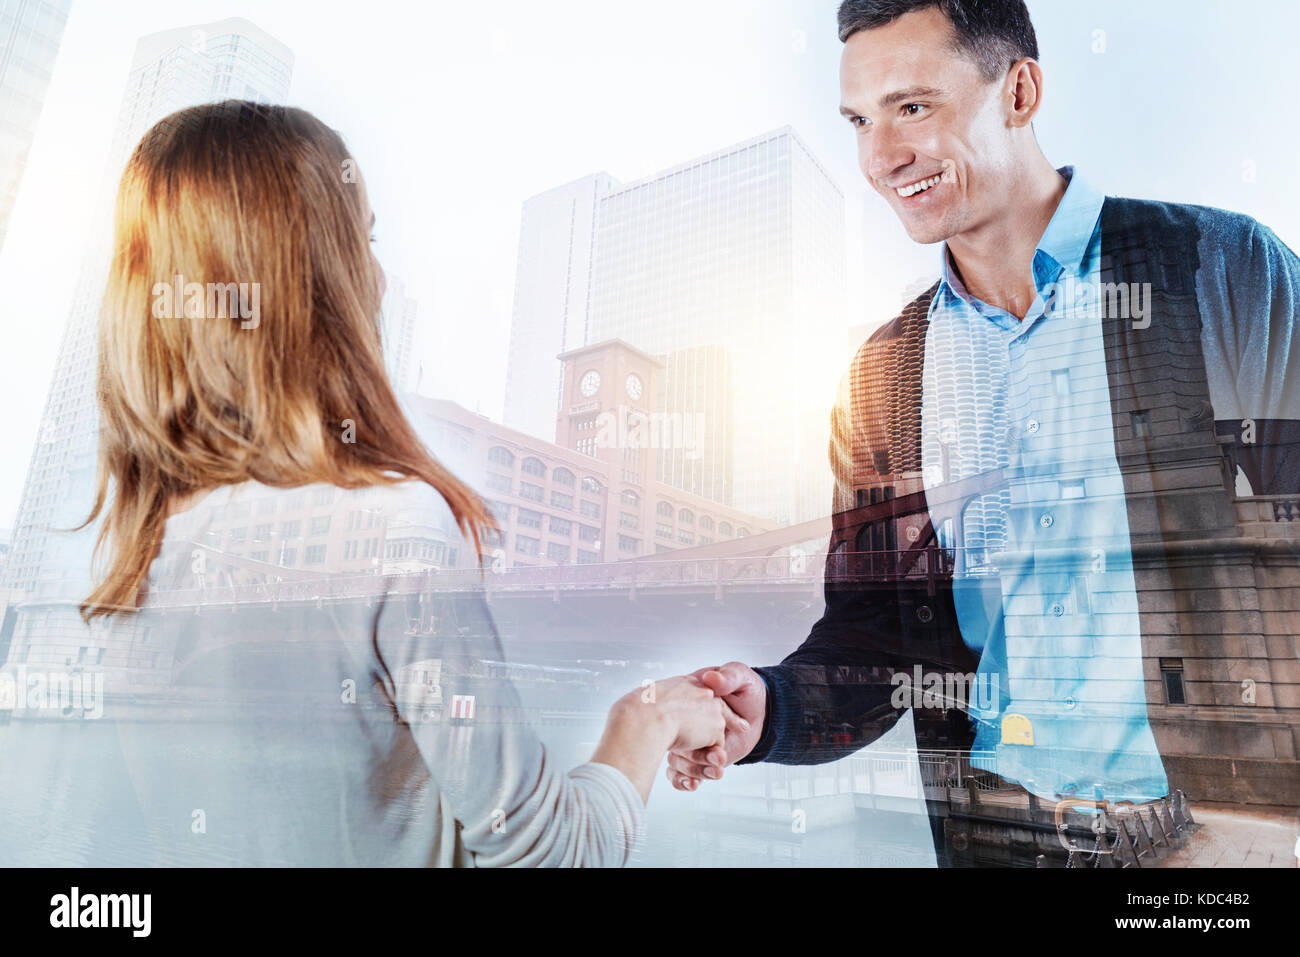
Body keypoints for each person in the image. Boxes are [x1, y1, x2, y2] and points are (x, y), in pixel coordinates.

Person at [0, 99, 743, 867]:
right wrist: (643, 719)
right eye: (365, 237)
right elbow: (551, 855)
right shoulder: (399, 526)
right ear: (317, 277)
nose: (379, 273)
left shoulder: (130, 543)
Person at [667, 0, 1299, 836]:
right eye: (860, 119)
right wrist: (770, 708)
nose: (882, 156)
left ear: (1021, 91)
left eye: (914, 107)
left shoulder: (1222, 271)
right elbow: (874, 640)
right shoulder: (880, 375)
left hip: (1224, 848)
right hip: (996, 840)